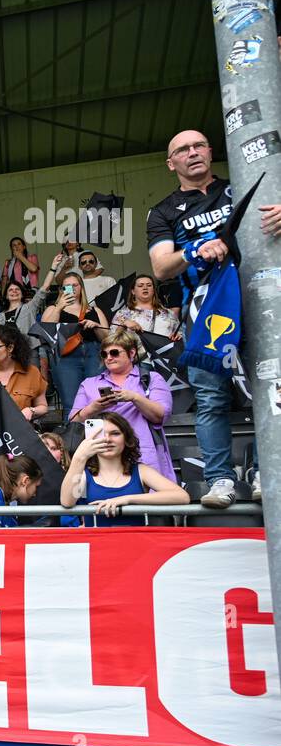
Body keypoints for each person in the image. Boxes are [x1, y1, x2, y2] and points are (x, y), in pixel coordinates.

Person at [146, 129, 281, 508]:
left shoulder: (243, 186)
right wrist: (195, 249)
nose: (193, 153)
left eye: (199, 145)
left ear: (210, 151)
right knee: (211, 398)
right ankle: (220, 479)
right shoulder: (163, 211)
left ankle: (265, 469)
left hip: (261, 299)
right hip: (205, 312)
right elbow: (160, 266)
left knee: (272, 387)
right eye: (183, 150)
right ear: (171, 162)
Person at [68, 329, 176, 482]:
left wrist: (134, 398)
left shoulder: (151, 378)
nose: (109, 358)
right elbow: (73, 421)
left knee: (149, 500)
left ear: (132, 353)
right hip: (102, 453)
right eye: (104, 354)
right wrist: (94, 407)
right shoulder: (89, 383)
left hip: (143, 451)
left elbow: (161, 415)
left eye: (114, 353)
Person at [61, 412, 189, 525]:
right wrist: (79, 457)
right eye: (101, 434)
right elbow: (67, 501)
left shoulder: (141, 471)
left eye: (115, 433)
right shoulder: (83, 475)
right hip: (97, 547)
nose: (107, 439)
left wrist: (127, 499)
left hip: (135, 546)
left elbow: (182, 497)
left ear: (126, 439)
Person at [41, 270, 108, 412]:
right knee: (71, 402)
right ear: (61, 290)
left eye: (75, 285)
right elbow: (46, 331)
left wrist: (96, 326)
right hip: (66, 357)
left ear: (81, 287)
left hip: (94, 354)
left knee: (98, 399)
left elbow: (107, 339)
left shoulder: (94, 310)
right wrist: (59, 307)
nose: (71, 289)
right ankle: (72, 433)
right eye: (66, 286)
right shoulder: (53, 308)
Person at [0, 255, 62, 377]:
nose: (14, 291)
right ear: (6, 296)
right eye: (10, 290)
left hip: (29, 351)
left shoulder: (29, 307)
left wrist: (53, 267)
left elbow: (44, 288)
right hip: (8, 354)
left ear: (22, 294)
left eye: (17, 289)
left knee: (31, 381)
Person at [112, 274, 180, 338]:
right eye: (140, 286)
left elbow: (181, 334)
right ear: (133, 291)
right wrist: (123, 325)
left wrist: (178, 335)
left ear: (153, 290)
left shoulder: (168, 313)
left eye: (149, 285)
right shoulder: (122, 314)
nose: (145, 288)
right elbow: (112, 339)